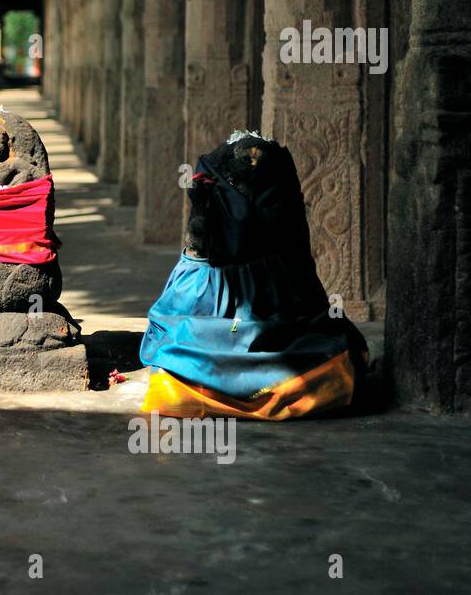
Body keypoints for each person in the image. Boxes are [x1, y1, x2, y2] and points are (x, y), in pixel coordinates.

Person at [139, 131, 368, 420]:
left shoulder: (202, 274)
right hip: (289, 351)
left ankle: (213, 390)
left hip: (204, 350)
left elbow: (176, 308)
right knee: (337, 361)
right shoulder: (289, 271)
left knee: (176, 349)